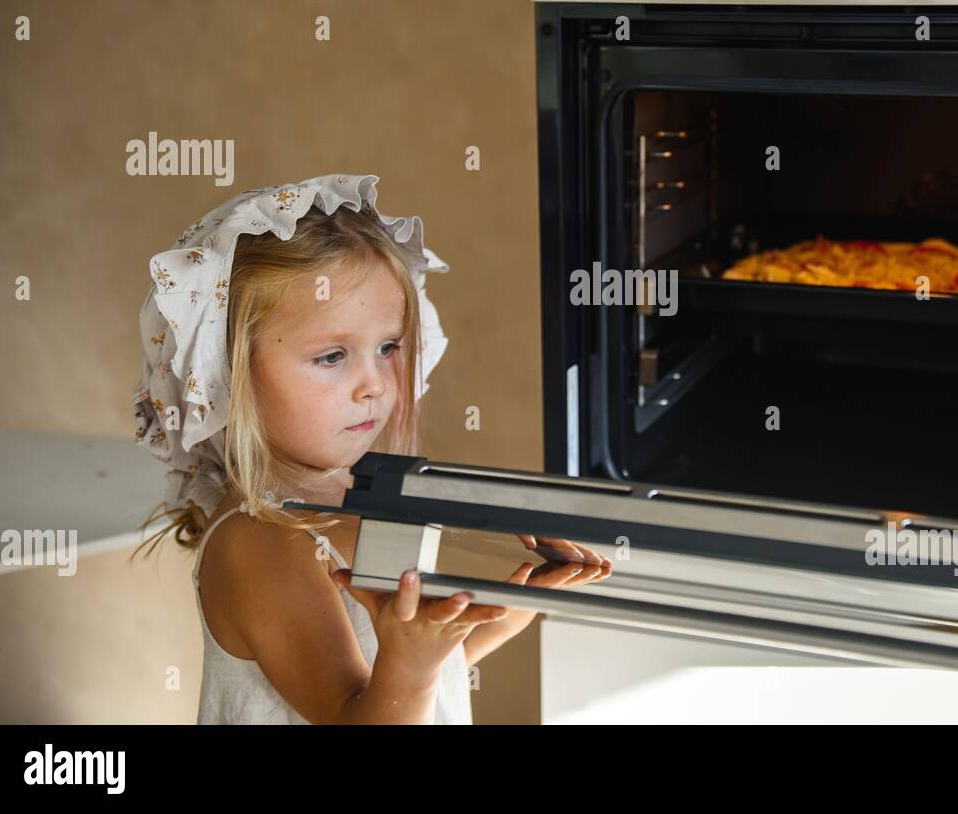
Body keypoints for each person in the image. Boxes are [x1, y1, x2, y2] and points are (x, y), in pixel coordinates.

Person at [129, 174, 609, 724]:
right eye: (332, 356)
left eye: (388, 347)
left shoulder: (364, 503)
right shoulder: (262, 542)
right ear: (225, 376)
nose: (375, 384)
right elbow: (368, 705)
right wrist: (412, 665)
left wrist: (507, 609)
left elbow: (409, 677)